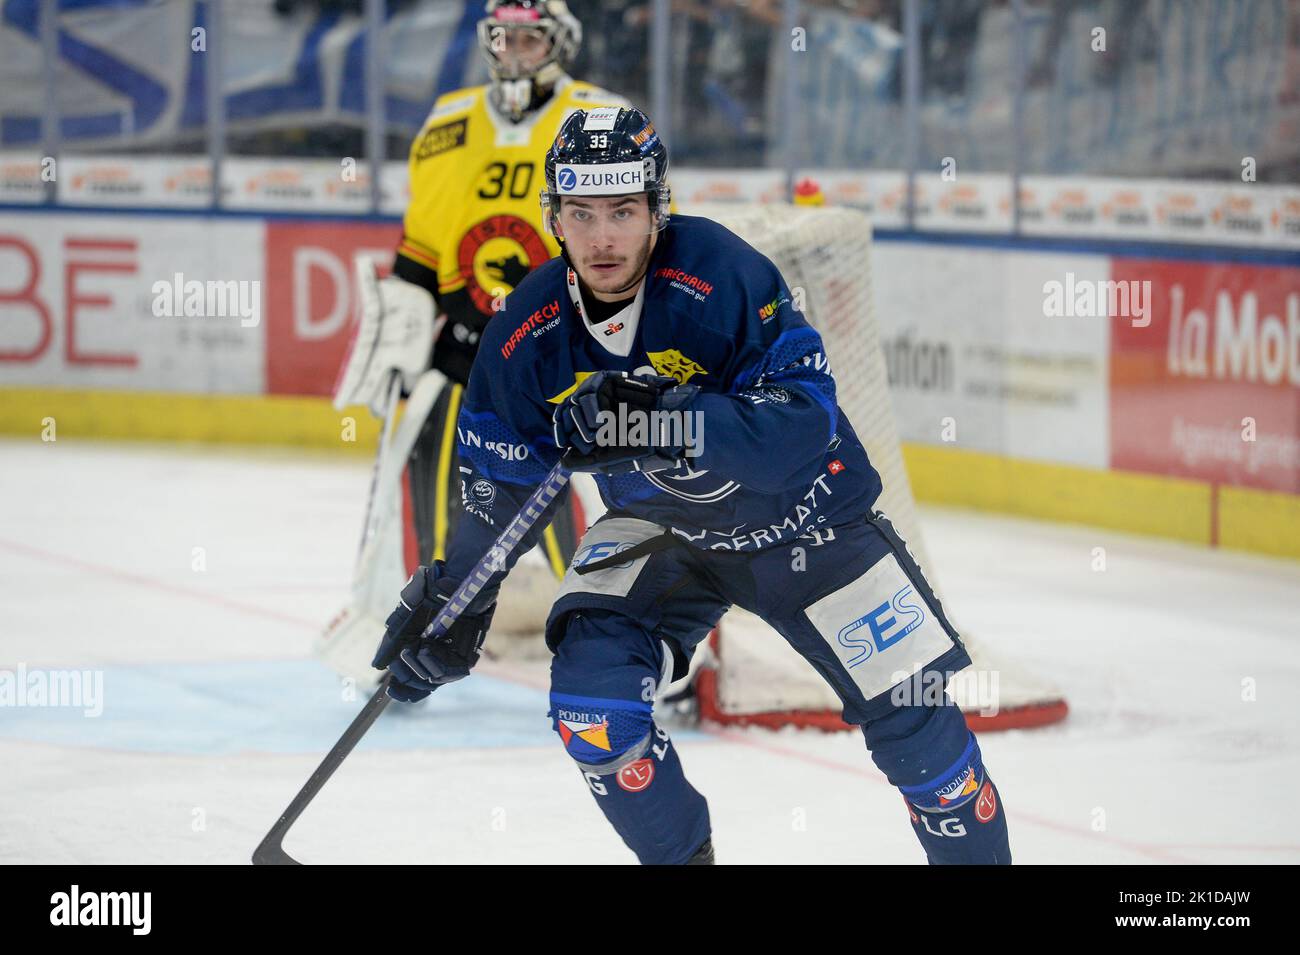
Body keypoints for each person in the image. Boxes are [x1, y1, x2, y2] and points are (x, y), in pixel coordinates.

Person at [372, 106, 1012, 865]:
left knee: (919, 733)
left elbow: (803, 426)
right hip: (662, 531)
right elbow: (500, 474)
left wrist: (664, 421)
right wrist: (462, 594)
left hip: (808, 522)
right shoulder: (528, 327)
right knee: (592, 709)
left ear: (655, 209)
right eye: (582, 212)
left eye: (622, 210)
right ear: (554, 217)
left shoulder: (724, 275)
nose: (603, 236)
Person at [322, 2, 629, 680]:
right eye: (504, 37)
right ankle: (430, 635)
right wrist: (396, 340)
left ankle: (619, 638)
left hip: (556, 360)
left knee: (554, 507)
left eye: (531, 37)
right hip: (460, 351)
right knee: (437, 500)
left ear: (561, 42)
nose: (516, 51)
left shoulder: (600, 121)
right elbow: (419, 256)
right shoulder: (448, 124)